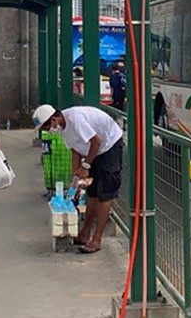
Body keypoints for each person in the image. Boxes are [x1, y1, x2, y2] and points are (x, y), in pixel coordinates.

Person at [32, 103, 123, 254]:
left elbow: (97, 141)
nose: (49, 131)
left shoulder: (76, 120)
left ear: (54, 119)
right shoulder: (64, 128)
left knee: (105, 194)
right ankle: (85, 233)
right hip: (94, 151)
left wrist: (86, 166)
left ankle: (97, 239)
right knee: (92, 193)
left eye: (47, 127)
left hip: (109, 146)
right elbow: (75, 150)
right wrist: (75, 176)